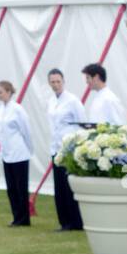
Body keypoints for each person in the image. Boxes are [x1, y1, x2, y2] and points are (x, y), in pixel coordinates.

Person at [46, 69, 84, 232]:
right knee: (59, 187)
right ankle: (64, 221)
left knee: (69, 187)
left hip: (68, 149)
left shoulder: (73, 101)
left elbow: (82, 123)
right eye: (52, 82)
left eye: (58, 81)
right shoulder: (51, 101)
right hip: (56, 149)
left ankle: (75, 222)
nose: (55, 85)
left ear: (63, 81)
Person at [0, 81, 33, 227]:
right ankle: (16, 216)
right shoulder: (0, 109)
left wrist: (29, 149)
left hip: (19, 153)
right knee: (11, 188)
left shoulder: (17, 109)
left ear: (8, 92)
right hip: (7, 154)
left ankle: (24, 219)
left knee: (21, 188)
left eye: (0, 92)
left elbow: (26, 130)